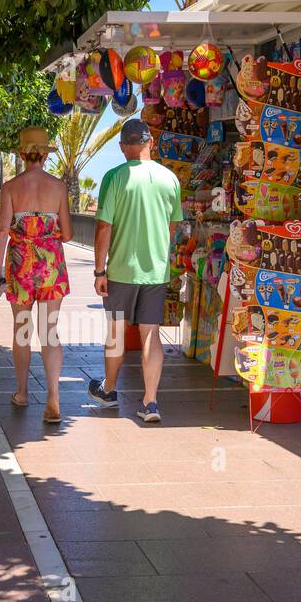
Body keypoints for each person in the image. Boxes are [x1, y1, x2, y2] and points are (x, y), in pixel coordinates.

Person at [87, 117, 182, 424]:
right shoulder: (170, 179)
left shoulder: (114, 177)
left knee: (116, 332)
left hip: (120, 271)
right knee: (150, 334)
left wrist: (99, 271)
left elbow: (103, 227)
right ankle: (150, 402)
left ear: (122, 146)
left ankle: (109, 390)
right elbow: (173, 225)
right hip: (156, 271)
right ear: (150, 142)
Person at [0, 128, 71, 425]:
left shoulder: (11, 187)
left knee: (22, 329)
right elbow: (69, 233)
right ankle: (53, 397)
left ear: (21, 155)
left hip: (20, 263)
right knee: (49, 331)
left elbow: (0, 231)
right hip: (51, 264)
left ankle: (22, 393)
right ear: (45, 154)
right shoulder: (59, 187)